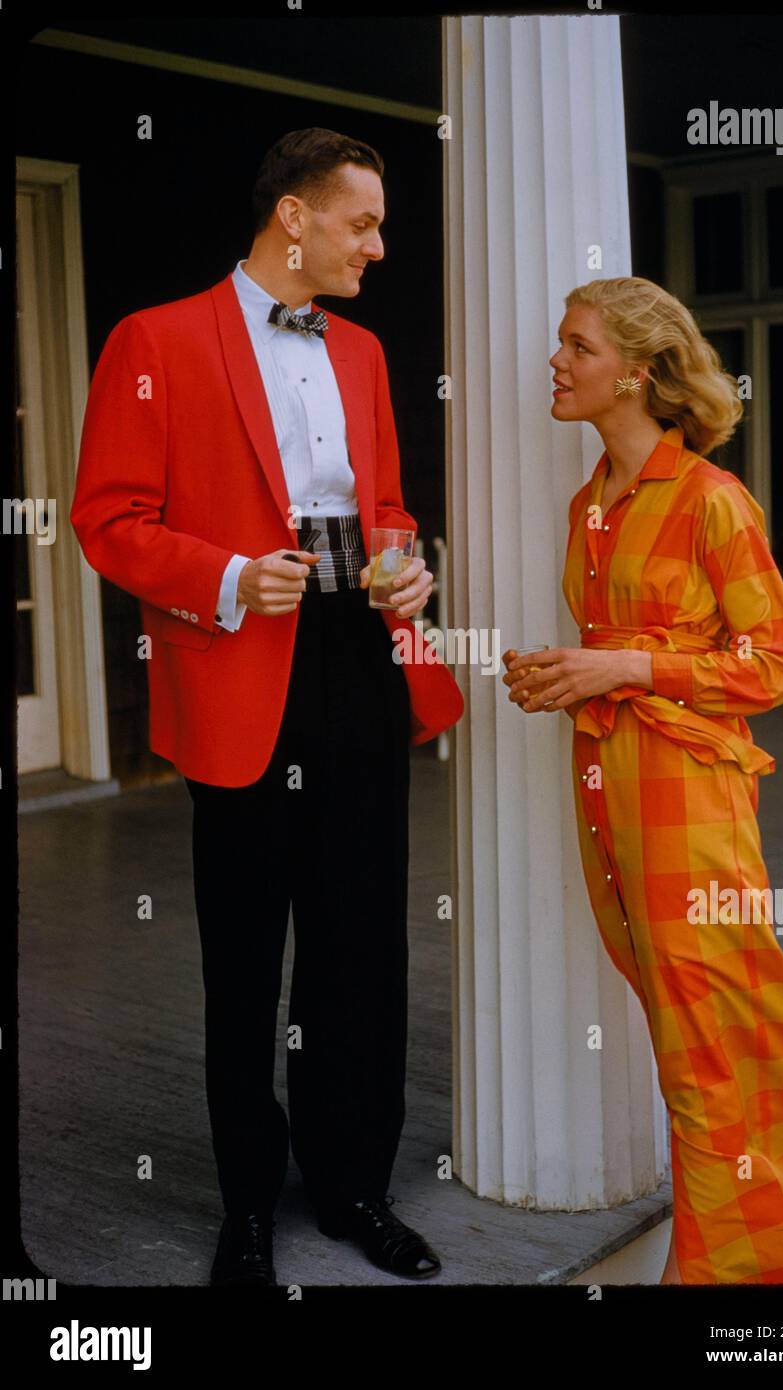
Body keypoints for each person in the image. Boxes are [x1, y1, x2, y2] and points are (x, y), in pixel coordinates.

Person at [70, 127, 463, 1286]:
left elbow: (384, 503)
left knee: (362, 946)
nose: (378, 247)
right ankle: (248, 1204)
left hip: (359, 657)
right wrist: (233, 580)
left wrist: (405, 561)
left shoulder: (368, 352)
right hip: (242, 660)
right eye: (362, 223)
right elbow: (108, 520)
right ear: (293, 217)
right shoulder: (155, 339)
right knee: (245, 959)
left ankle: (352, 1188)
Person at [502, 276, 783, 1284]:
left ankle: (711, 1270)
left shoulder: (713, 499)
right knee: (690, 1016)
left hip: (690, 800)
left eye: (578, 346)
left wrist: (619, 667)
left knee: (707, 1021)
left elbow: (774, 663)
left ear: (637, 369)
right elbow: (620, 646)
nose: (558, 361)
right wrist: (562, 674)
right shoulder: (591, 504)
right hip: (607, 782)